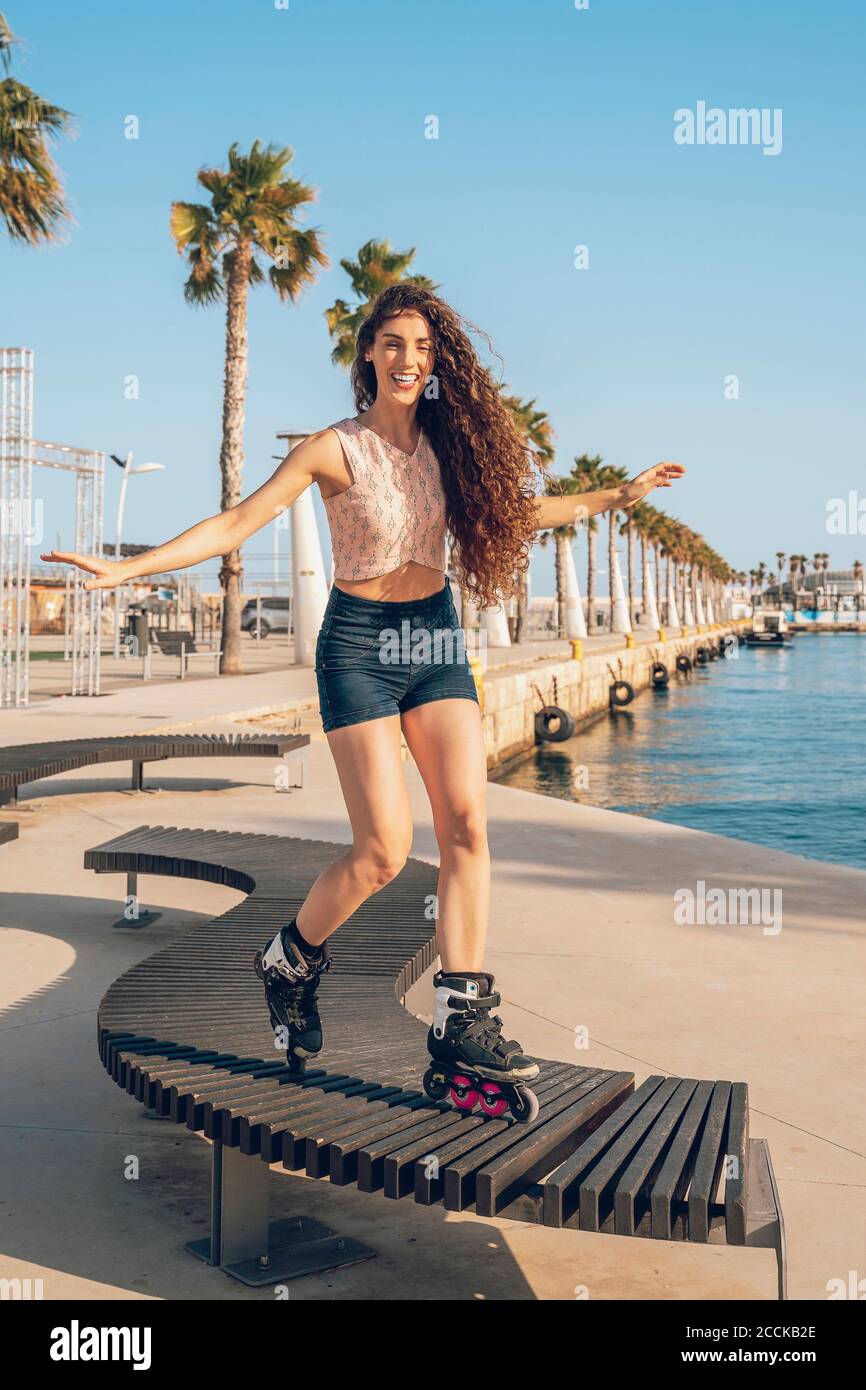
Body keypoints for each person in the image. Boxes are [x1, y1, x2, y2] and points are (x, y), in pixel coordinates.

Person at [42, 283, 684, 1121]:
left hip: (435, 640)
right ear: (369, 355)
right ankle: (291, 958)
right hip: (358, 648)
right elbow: (237, 524)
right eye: (393, 343)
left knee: (466, 826)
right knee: (382, 851)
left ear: (436, 360)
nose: (409, 359)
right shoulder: (332, 449)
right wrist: (129, 569)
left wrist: (617, 497)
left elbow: (524, 511)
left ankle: (462, 1016)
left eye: (422, 346)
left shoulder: (452, 451)